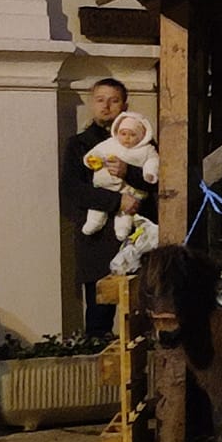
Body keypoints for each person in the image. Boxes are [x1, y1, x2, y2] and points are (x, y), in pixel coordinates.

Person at [61, 79, 147, 337]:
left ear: (125, 105)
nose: (106, 106)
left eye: (114, 100)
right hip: (97, 241)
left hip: (136, 236)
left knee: (142, 310)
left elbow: (156, 184)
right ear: (92, 104)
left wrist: (129, 173)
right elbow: (72, 189)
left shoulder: (144, 145)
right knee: (99, 318)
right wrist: (115, 201)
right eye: (100, 100)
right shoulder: (79, 145)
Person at [79, 109, 159, 236]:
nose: (106, 106)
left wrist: (142, 173)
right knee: (95, 213)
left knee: (124, 219)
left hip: (132, 199)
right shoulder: (102, 143)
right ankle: (93, 223)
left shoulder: (147, 149)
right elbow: (72, 188)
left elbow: (154, 167)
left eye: (132, 135)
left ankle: (123, 230)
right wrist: (90, 159)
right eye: (123, 134)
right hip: (103, 193)